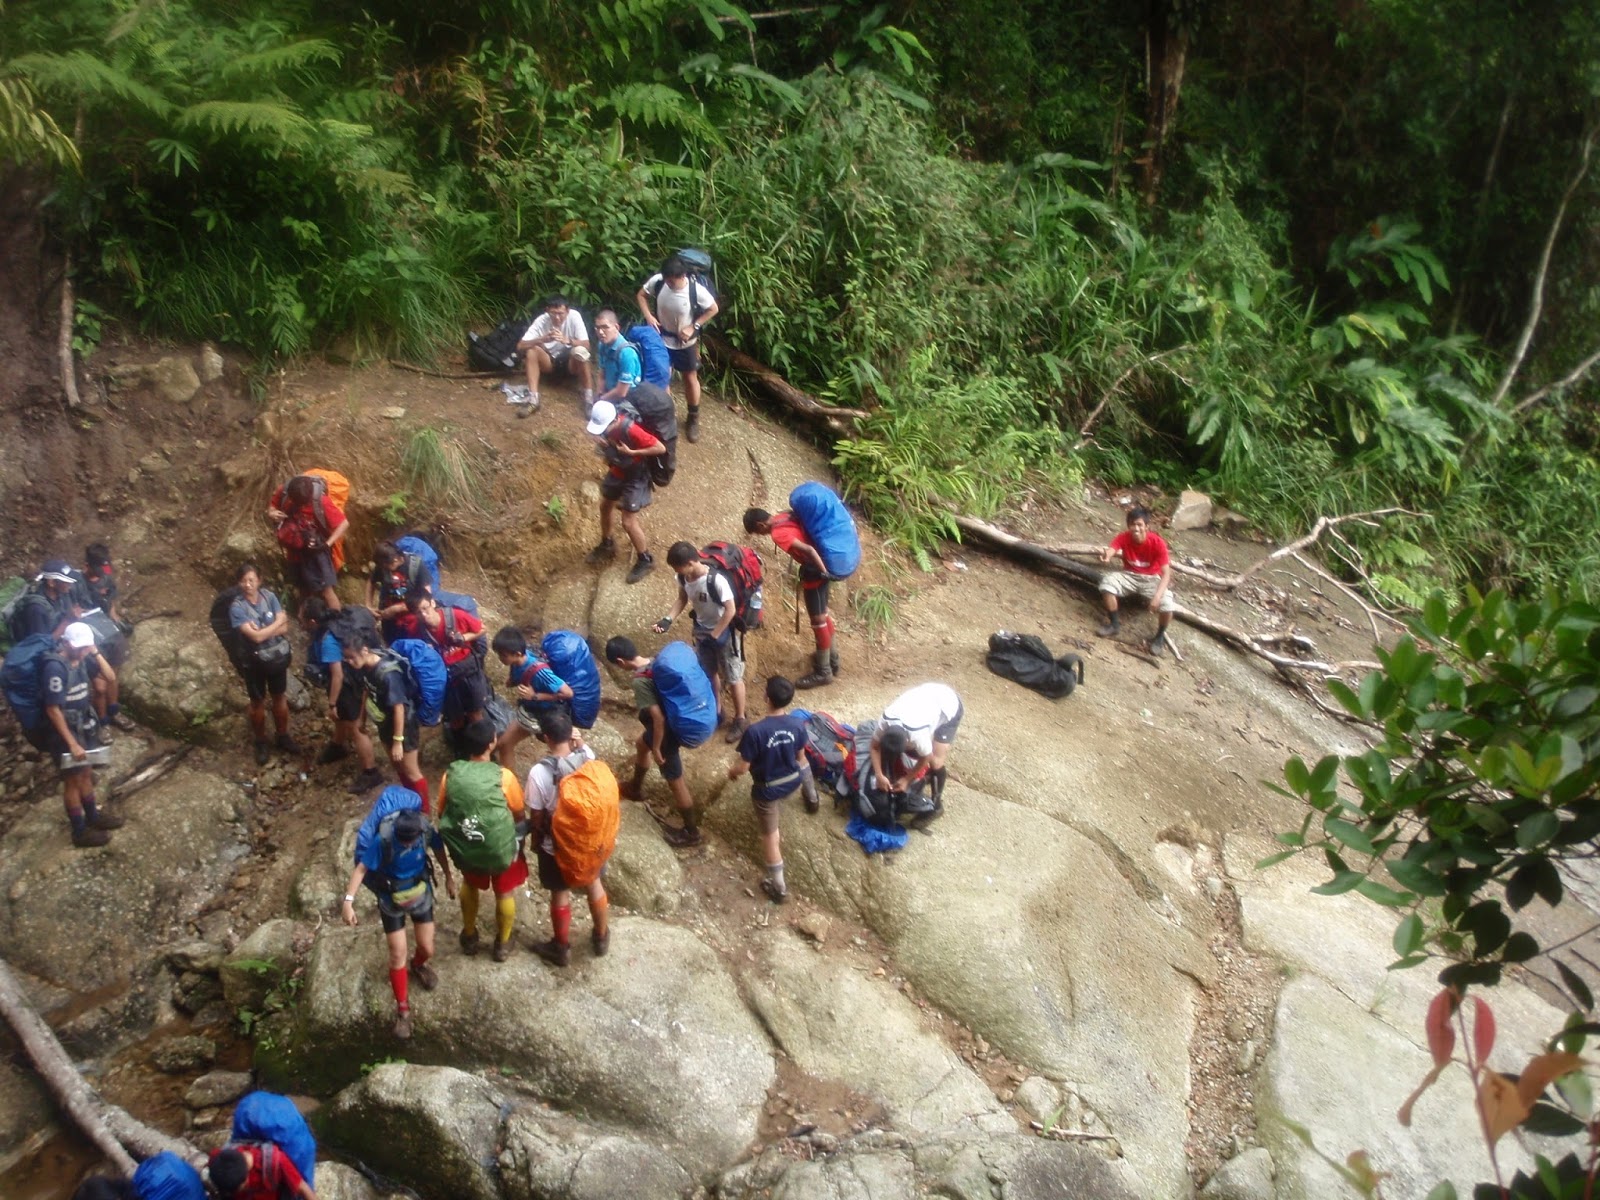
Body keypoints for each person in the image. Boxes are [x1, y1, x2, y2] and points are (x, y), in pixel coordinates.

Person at [341, 788, 454, 1040]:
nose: (405, 844)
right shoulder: (382, 840)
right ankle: (403, 1010)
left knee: (427, 947)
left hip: (419, 891)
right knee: (396, 953)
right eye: (402, 840)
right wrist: (348, 901)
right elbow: (361, 870)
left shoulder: (424, 830)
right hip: (390, 897)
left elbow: (438, 849)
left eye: (409, 841)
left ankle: (419, 964)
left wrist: (448, 877)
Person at [522, 708, 612, 966]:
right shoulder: (588, 758)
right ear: (570, 734)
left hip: (557, 846)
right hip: (590, 842)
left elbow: (537, 815)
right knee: (594, 882)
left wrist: (536, 842)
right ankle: (601, 936)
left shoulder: (539, 773)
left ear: (546, 738)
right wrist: (580, 742)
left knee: (559, 892)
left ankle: (561, 947)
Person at [435, 718, 527, 962]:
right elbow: (518, 813)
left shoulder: (450, 775)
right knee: (504, 891)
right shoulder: (504, 776)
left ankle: (468, 934)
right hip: (499, 847)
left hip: (468, 846)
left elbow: (441, 811)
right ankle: (502, 944)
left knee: (470, 883)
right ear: (492, 743)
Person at [27, 622, 124, 847]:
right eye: (79, 647)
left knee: (86, 772)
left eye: (84, 647)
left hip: (83, 722)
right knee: (72, 779)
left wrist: (94, 651)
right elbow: (53, 709)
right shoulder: (55, 668)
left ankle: (93, 815)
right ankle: (79, 830)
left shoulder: (82, 657)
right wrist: (71, 744)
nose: (81, 651)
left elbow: (109, 677)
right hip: (63, 731)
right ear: (67, 643)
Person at [728, 675, 818, 904]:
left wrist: (732, 772)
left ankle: (778, 885)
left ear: (766, 697)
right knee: (799, 766)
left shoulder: (756, 731)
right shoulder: (798, 725)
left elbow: (744, 766)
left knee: (770, 836)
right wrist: (807, 790)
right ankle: (812, 795)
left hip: (768, 791)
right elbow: (801, 757)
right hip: (792, 783)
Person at [605, 636, 700, 847]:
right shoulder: (656, 661)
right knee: (641, 745)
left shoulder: (640, 680)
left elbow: (658, 719)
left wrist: (657, 747)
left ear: (620, 662)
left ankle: (691, 832)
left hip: (666, 734)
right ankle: (635, 788)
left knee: (676, 782)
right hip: (673, 722)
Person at [655, 541, 747, 743]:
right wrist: (668, 619)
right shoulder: (683, 577)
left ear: (690, 562)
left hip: (724, 631)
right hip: (701, 630)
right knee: (709, 672)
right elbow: (682, 599)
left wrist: (715, 634)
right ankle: (717, 711)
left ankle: (740, 718)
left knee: (733, 675)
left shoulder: (716, 580)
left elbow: (730, 610)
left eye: (678, 567)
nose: (677, 572)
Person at [743, 506, 838, 688]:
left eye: (758, 532)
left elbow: (808, 550)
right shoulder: (784, 516)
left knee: (818, 622)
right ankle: (832, 659)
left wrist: (824, 573)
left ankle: (823, 671)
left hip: (817, 572)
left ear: (761, 525)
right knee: (824, 615)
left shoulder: (778, 533)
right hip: (825, 562)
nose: (761, 535)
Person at [342, 629, 429, 809]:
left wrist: (398, 741)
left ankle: (424, 810)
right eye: (346, 658)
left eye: (352, 657)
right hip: (385, 723)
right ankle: (412, 801)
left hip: (403, 725)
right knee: (398, 766)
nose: (349, 662)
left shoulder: (389, 675)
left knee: (411, 771)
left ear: (364, 651)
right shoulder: (364, 668)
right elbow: (367, 690)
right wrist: (361, 718)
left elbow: (399, 708)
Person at [302, 598, 382, 794]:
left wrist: (331, 703)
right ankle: (338, 745)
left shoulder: (328, 639)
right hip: (353, 678)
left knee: (356, 727)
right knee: (342, 719)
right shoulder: (336, 624)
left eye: (301, 618)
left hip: (347, 685)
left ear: (312, 622)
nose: (299, 621)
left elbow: (337, 674)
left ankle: (370, 772)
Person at [635, 255, 719, 444]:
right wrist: (648, 316)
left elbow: (713, 309)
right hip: (661, 339)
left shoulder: (696, 291)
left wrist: (694, 327)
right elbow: (641, 295)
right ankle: (665, 417)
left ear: (682, 276)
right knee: (663, 376)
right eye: (666, 279)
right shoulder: (659, 281)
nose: (668, 284)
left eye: (671, 281)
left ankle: (693, 417)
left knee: (690, 378)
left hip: (685, 343)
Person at [584, 399, 666, 585]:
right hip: (618, 470)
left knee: (628, 521)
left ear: (614, 420)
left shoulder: (631, 429)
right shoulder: (607, 427)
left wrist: (632, 452)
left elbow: (659, 448)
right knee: (605, 506)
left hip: (636, 476)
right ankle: (607, 544)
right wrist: (605, 445)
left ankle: (646, 559)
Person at [230, 563, 301, 767]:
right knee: (257, 702)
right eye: (243, 581)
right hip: (253, 662)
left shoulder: (269, 597)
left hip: (276, 657)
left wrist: (266, 630)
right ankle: (261, 741)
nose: (247, 584)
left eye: (251, 580)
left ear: (259, 580)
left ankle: (282, 735)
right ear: (238, 583)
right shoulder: (237, 607)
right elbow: (257, 636)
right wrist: (276, 623)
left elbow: (285, 628)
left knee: (279, 696)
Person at [873, 682, 962, 827]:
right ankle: (921, 778)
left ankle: (937, 806)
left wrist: (907, 779)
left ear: (908, 740)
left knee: (935, 762)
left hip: (949, 704)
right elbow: (875, 747)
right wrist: (879, 775)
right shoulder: (885, 721)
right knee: (909, 754)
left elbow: (925, 757)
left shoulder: (918, 735)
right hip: (926, 695)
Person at [408, 590, 488, 744]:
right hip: (446, 677)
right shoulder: (417, 630)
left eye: (425, 608)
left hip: (468, 672)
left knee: (475, 715)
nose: (424, 615)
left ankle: (482, 749)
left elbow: (482, 629)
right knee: (455, 719)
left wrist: (463, 637)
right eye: (418, 612)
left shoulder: (455, 616)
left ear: (432, 603)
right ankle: (461, 749)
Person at [1096, 505, 1176, 655]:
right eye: (1132, 524)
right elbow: (1113, 549)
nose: (1136, 528)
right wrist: (1107, 556)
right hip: (1129, 576)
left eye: (1139, 524)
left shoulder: (1158, 543)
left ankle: (1159, 637)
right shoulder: (1124, 537)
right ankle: (1114, 624)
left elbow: (1166, 573)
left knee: (1168, 605)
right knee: (1107, 584)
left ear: (1147, 526)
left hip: (1151, 578)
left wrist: (1157, 597)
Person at [491, 626, 575, 768]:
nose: (500, 659)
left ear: (517, 653)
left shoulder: (541, 672)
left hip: (550, 715)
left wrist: (535, 696)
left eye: (503, 655)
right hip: (531, 712)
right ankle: (511, 786)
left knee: (565, 754)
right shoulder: (518, 662)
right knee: (504, 744)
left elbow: (567, 693)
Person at [267, 476, 347, 614]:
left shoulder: (321, 501)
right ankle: (307, 622)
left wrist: (327, 544)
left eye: (303, 503)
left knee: (326, 590)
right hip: (294, 548)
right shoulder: (285, 490)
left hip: (316, 550)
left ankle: (336, 622)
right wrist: (273, 513)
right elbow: (271, 507)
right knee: (302, 588)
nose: (300, 506)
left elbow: (343, 523)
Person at [515, 294, 593, 412]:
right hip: (549, 362)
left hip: (570, 363)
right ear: (547, 311)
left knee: (580, 351)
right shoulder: (542, 320)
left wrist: (568, 340)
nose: (557, 317)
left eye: (560, 314)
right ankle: (533, 399)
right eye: (553, 313)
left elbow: (587, 345)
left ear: (567, 311)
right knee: (531, 351)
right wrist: (542, 339)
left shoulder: (575, 316)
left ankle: (589, 400)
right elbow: (520, 346)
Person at [366, 541, 431, 641]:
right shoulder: (383, 565)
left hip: (412, 618)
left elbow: (427, 596)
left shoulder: (416, 565)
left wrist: (397, 609)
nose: (385, 569)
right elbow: (371, 582)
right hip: (388, 618)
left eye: (386, 566)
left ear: (395, 560)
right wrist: (368, 605)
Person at [209, 1142, 319, 1200]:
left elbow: (304, 1189)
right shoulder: (218, 1160)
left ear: (246, 1179)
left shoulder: (276, 1163)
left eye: (238, 1189)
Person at [9, 559, 75, 642]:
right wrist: (67, 621)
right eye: (67, 582)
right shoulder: (36, 609)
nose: (70, 585)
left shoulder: (62, 595)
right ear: (51, 583)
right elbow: (39, 645)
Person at [592, 308, 641, 410]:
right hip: (610, 394)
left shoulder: (627, 353)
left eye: (605, 327)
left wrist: (601, 400)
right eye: (597, 328)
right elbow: (602, 373)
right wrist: (599, 392)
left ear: (616, 328)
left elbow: (621, 392)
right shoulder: (602, 345)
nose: (600, 332)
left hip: (627, 400)